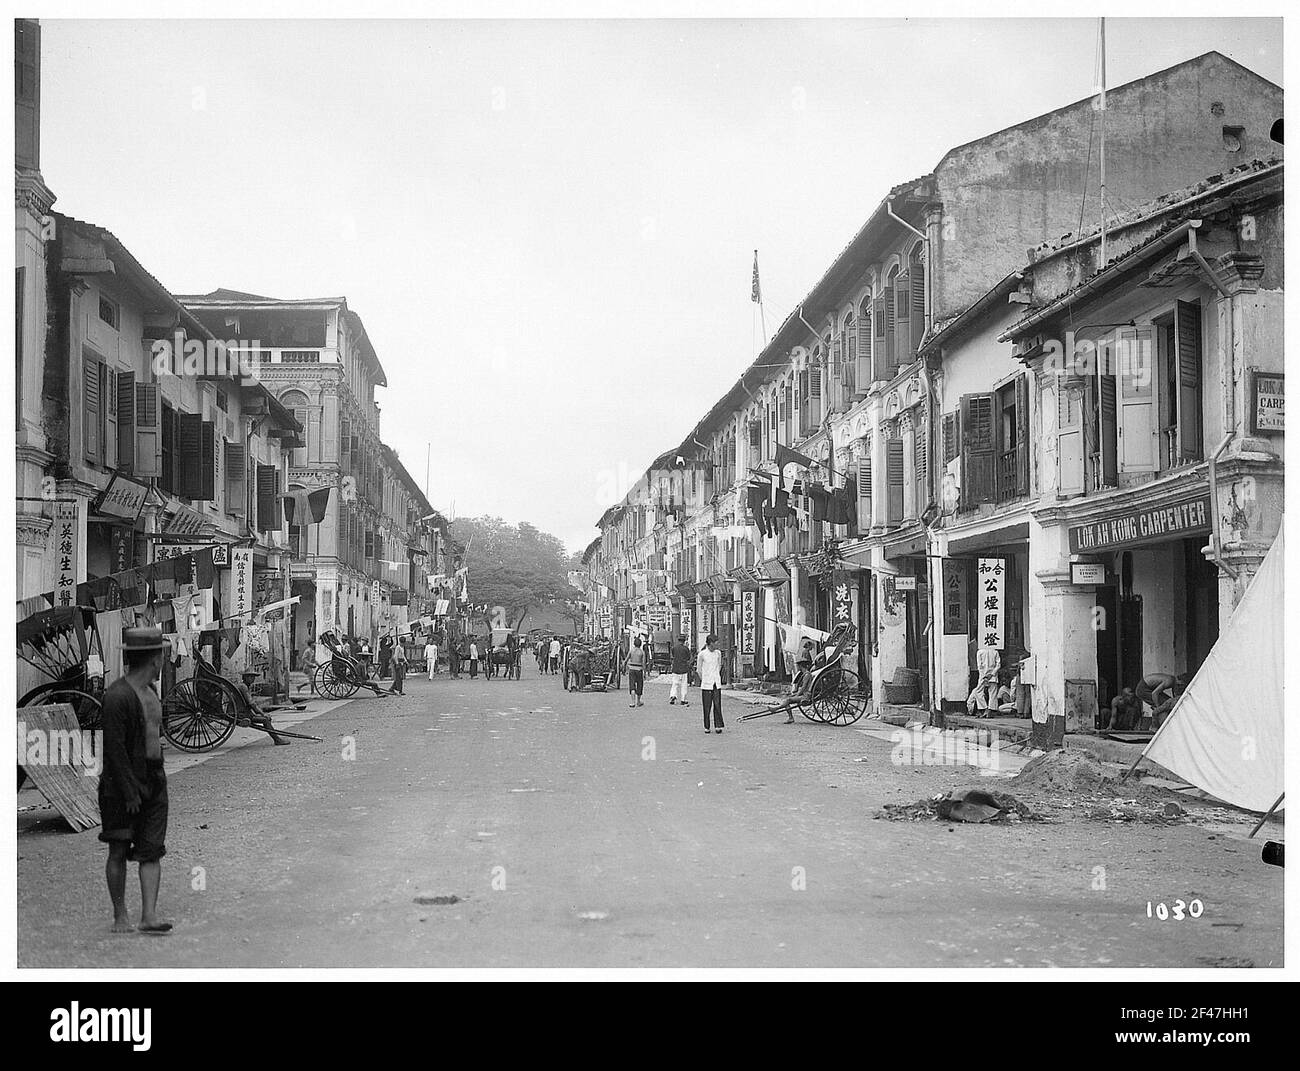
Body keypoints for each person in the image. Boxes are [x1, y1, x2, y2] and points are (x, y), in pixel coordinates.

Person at [99, 626, 173, 935]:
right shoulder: (117, 697)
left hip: (154, 778)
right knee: (117, 849)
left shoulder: (151, 693)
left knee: (151, 848)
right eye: (162, 658)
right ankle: (120, 916)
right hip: (121, 786)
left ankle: (149, 915)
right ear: (155, 661)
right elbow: (114, 750)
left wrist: (154, 781)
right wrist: (130, 791)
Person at [698, 633, 724, 734]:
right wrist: (704, 679)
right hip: (706, 683)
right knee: (707, 706)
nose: (717, 644)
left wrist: (716, 676)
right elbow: (699, 670)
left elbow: (719, 665)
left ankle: (718, 725)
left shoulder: (718, 653)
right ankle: (707, 726)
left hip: (716, 682)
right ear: (710, 643)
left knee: (717, 704)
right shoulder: (702, 654)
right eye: (715, 642)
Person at [667, 634, 692, 706]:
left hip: (675, 668)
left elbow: (673, 656)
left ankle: (673, 696)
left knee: (675, 684)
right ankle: (683, 699)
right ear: (684, 641)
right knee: (684, 684)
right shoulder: (686, 649)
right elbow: (688, 658)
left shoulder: (674, 648)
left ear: (678, 641)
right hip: (684, 668)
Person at [625, 635, 648, 708]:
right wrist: (645, 673)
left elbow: (626, 659)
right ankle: (638, 701)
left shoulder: (631, 650)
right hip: (639, 670)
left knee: (632, 685)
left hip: (632, 669)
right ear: (640, 644)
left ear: (634, 644)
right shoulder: (642, 652)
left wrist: (624, 666)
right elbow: (644, 663)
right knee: (639, 685)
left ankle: (632, 702)